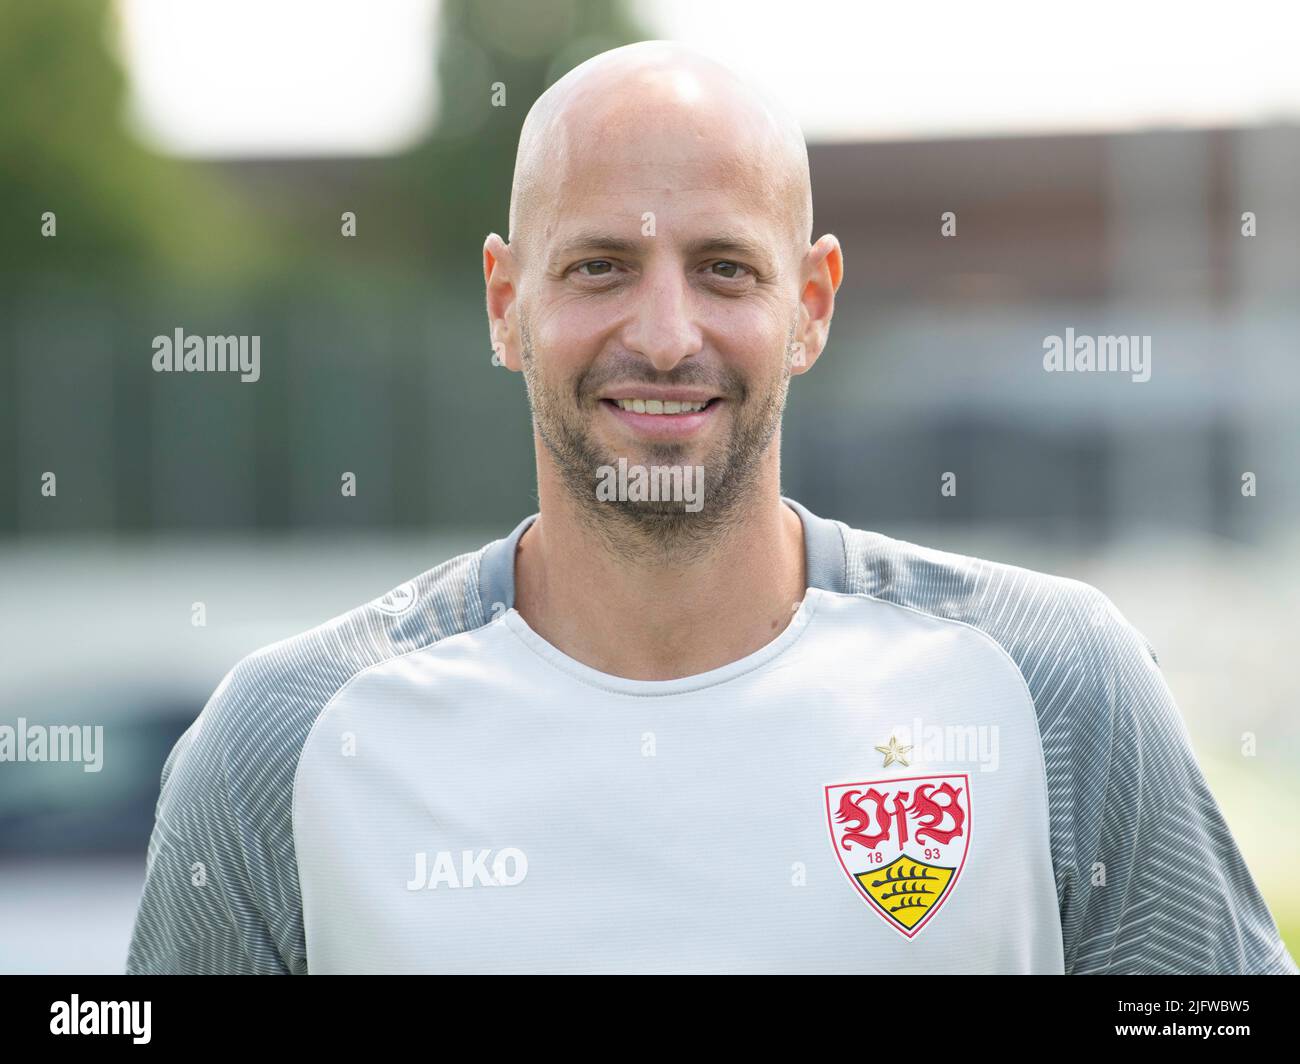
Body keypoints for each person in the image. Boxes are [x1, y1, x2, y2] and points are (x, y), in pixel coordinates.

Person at [125, 41, 1296, 974]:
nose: (666, 334)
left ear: (811, 304)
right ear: (504, 302)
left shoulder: (1056, 688)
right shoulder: (284, 745)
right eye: (599, 266)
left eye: (724, 268)